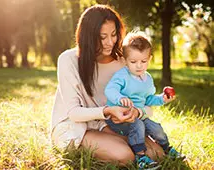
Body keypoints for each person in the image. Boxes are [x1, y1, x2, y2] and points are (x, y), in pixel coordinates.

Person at [51, 4, 164, 166]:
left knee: (157, 153)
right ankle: (91, 148)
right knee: (124, 155)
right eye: (102, 37)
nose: (109, 42)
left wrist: (136, 112)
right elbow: (74, 113)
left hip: (107, 124)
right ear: (88, 36)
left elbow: (147, 105)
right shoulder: (68, 60)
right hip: (75, 126)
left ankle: (111, 144)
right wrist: (107, 111)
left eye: (113, 35)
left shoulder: (123, 63)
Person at [104, 31, 183, 169]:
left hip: (138, 116)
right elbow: (109, 90)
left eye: (143, 61)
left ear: (149, 59)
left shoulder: (147, 79)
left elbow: (149, 99)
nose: (139, 66)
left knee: (156, 128)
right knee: (138, 126)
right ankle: (141, 157)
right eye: (133, 62)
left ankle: (167, 148)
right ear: (125, 60)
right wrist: (120, 98)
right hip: (119, 117)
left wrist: (162, 99)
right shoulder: (122, 75)